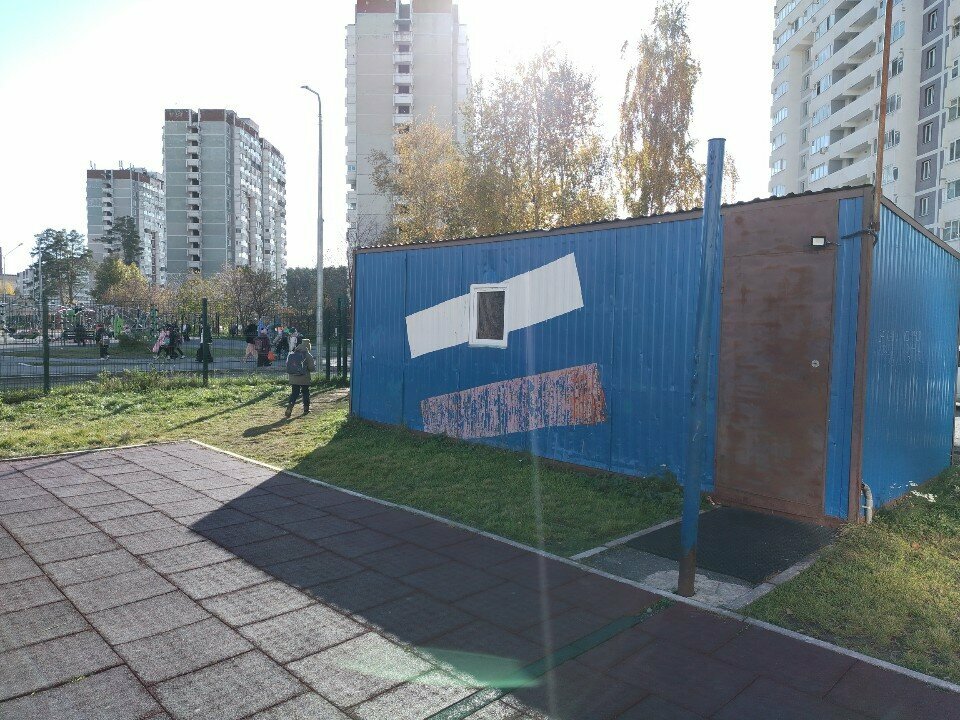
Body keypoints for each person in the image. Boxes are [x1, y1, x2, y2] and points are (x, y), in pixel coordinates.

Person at [284, 339, 316, 417]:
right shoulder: (308, 355)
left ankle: (290, 407)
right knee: (305, 392)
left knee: (294, 393)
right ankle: (306, 408)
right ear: (308, 346)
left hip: (293, 377)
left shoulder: (293, 353)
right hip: (304, 378)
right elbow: (312, 368)